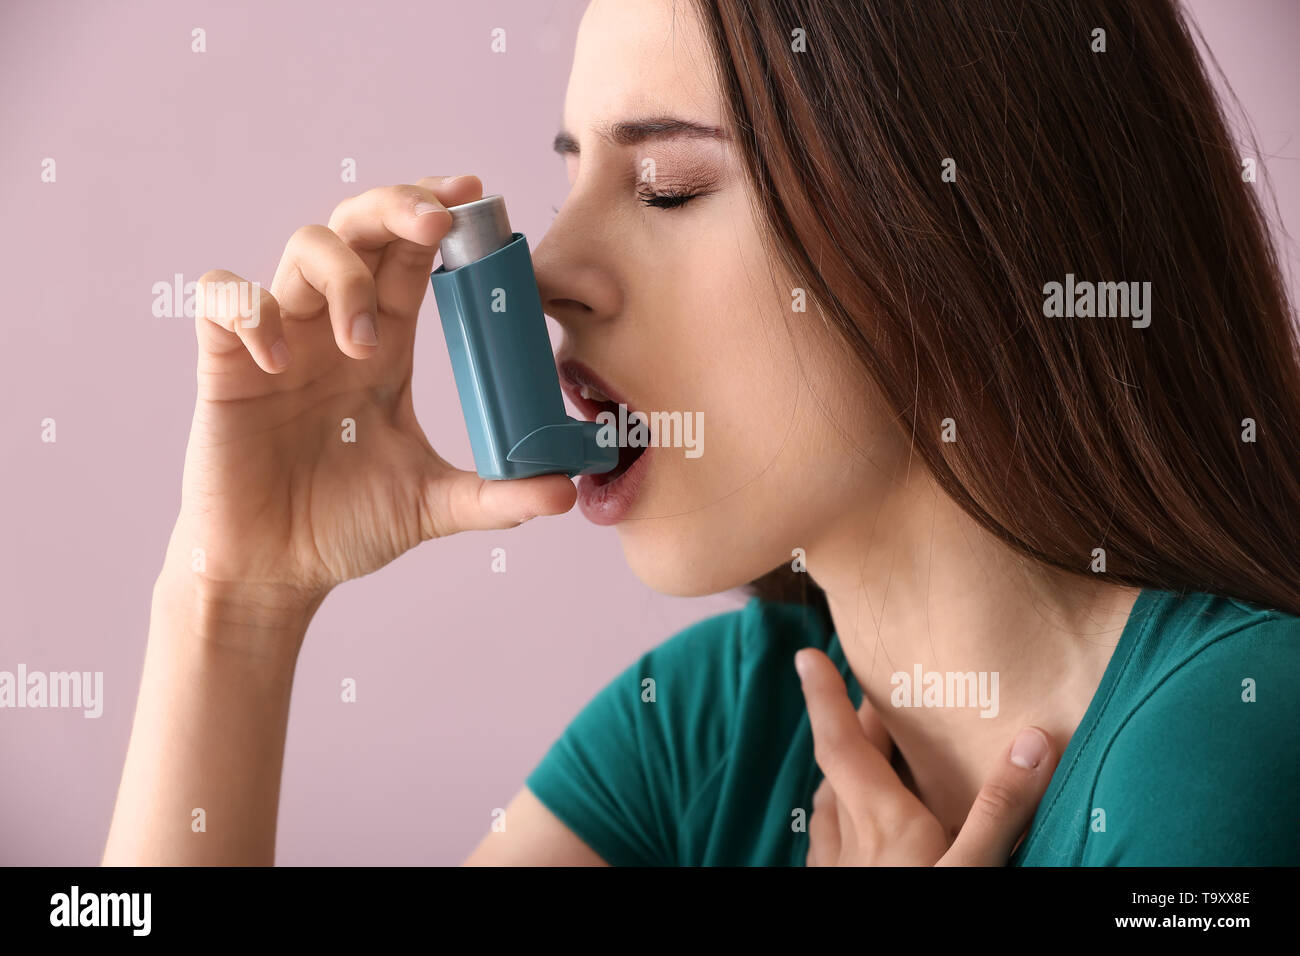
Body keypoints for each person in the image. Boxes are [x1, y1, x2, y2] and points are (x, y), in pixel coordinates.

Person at [103, 0, 1300, 866]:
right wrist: (233, 602)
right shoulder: (705, 729)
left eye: (667, 184)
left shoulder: (1233, 740)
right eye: (567, 177)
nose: (550, 267)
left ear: (960, 225)